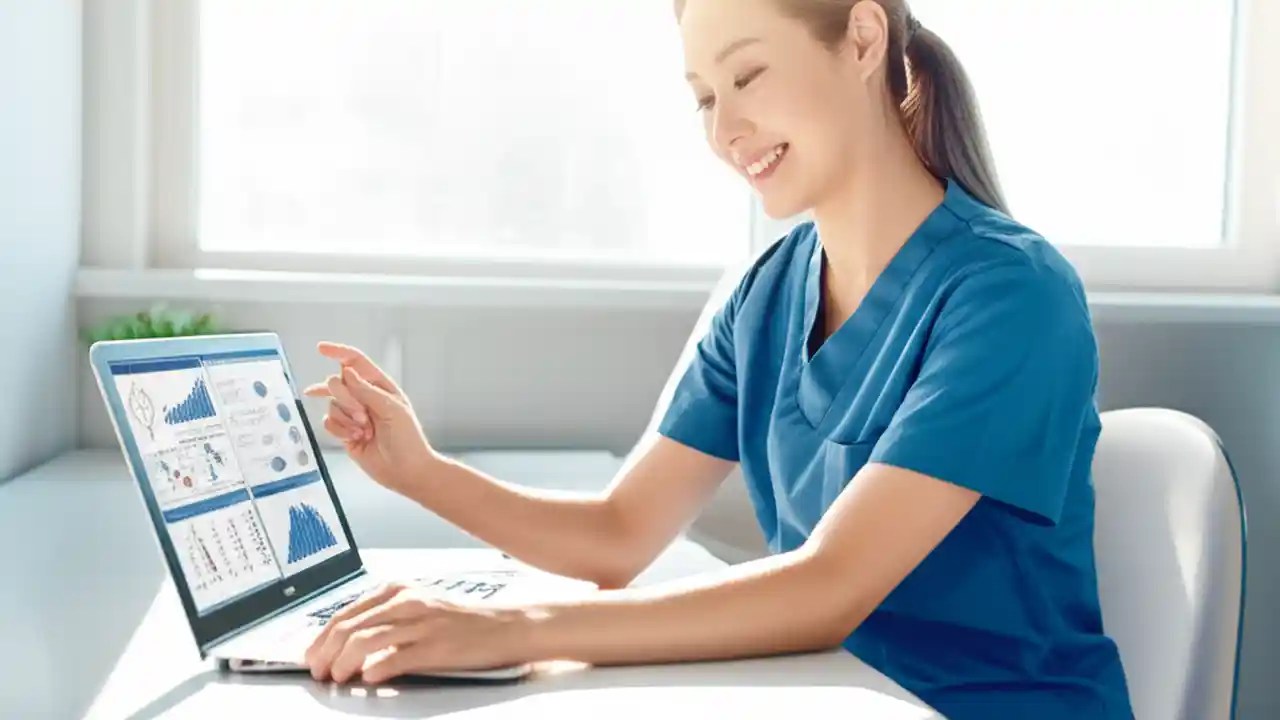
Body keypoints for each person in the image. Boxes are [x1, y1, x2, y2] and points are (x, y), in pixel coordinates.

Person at [301, 0, 1134, 717]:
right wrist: (420, 471)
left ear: (863, 40)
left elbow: (830, 587)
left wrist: (519, 632)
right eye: (703, 98)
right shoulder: (765, 294)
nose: (724, 129)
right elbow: (619, 535)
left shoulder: (1012, 295)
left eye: (747, 77)